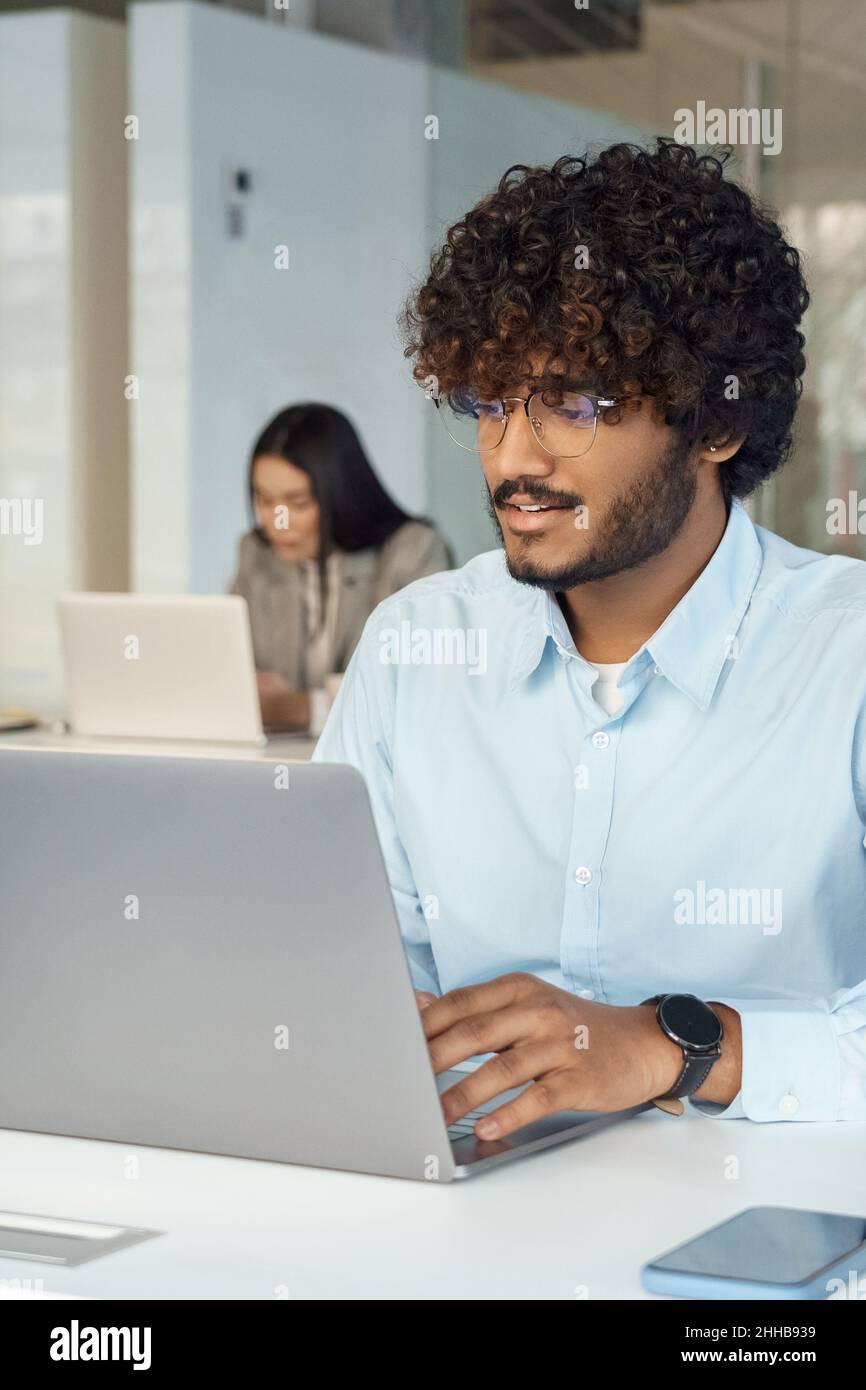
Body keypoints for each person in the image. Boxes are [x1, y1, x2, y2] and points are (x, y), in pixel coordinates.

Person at [314, 139, 866, 1137]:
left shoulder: (843, 656)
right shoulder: (413, 652)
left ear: (713, 423)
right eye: (487, 405)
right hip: (460, 1221)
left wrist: (673, 1048)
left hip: (761, 1238)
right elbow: (325, 970)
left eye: (571, 403)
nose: (510, 459)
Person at [230, 403, 453, 732]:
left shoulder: (413, 552)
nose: (277, 522)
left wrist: (304, 708)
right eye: (263, 499)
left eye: (298, 502)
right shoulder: (256, 554)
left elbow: (421, 687)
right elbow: (232, 678)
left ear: (342, 493)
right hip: (280, 764)